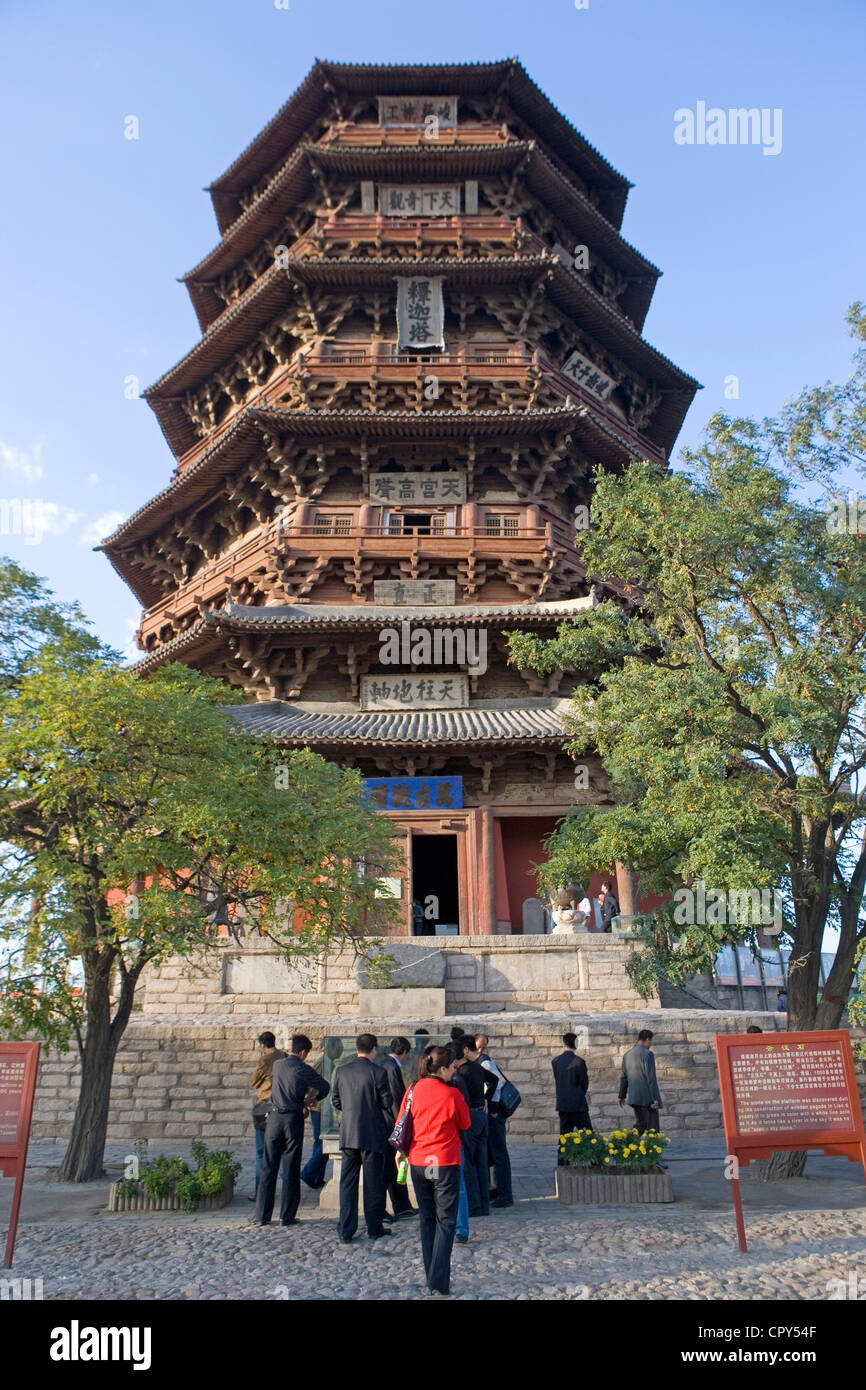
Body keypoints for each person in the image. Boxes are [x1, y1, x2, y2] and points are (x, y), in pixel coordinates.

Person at [395, 1044, 470, 1295]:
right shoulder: (452, 1094)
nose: (453, 1072)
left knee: (427, 1218)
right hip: (444, 1162)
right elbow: (465, 1123)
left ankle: (431, 1273)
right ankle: (438, 1279)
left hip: (419, 1161)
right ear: (444, 1068)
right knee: (446, 1221)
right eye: (451, 1068)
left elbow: (402, 1122)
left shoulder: (413, 1090)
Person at [254, 1033, 329, 1227]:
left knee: (268, 1167)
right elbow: (324, 1087)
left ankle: (262, 1215)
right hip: (292, 1119)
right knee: (290, 1168)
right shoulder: (303, 1069)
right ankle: (286, 1216)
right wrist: (312, 1100)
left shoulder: (279, 1064)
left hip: (274, 1118)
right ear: (303, 1052)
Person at [331, 1033, 394, 1244]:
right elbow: (386, 1101)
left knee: (347, 1183)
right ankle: (374, 1227)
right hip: (372, 1134)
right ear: (373, 1049)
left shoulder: (342, 1071)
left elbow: (336, 1101)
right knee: (372, 1183)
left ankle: (346, 1228)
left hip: (349, 1133)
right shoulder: (378, 1072)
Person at [457, 1032, 496, 1217]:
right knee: (481, 1162)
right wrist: (486, 1099)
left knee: (469, 1164)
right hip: (481, 1114)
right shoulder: (477, 1067)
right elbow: (494, 1080)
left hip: (471, 1116)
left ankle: (473, 1206)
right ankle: (484, 1205)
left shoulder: (461, 1073)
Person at [475, 1032, 513, 1208]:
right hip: (488, 1112)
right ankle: (495, 1189)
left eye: (483, 1046)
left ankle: (505, 1194)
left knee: (499, 1153)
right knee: (491, 1153)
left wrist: (494, 1108)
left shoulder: (484, 1062)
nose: (481, 1049)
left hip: (494, 1113)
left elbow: (496, 1084)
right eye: (479, 1045)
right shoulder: (479, 1062)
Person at [380, 1036, 417, 1219]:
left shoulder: (385, 1064)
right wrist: (401, 1124)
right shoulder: (392, 1067)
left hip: (387, 1123)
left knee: (395, 1167)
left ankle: (403, 1205)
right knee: (396, 1165)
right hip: (390, 1124)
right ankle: (402, 1205)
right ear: (404, 1053)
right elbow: (396, 1099)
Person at [248, 1030, 286, 1200]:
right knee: (284, 1150)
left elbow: (253, 1082)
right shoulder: (284, 1056)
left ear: (262, 1045)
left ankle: (260, 1191)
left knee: (261, 1152)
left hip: (265, 1106)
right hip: (282, 1105)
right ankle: (287, 1189)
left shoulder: (265, 1059)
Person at [552, 1032, 591, 1157]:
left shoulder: (555, 1061)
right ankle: (594, 1161)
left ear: (563, 1044)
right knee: (587, 1135)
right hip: (578, 1104)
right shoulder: (579, 1062)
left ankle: (562, 1163)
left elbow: (558, 1080)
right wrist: (579, 1094)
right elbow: (584, 1083)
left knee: (564, 1137)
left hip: (563, 1104)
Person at [618, 1029, 663, 1134]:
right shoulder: (648, 1054)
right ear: (647, 1039)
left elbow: (624, 1077)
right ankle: (651, 1149)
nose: (650, 1044)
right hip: (647, 1097)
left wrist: (622, 1096)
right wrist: (655, 1098)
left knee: (641, 1123)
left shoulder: (627, 1055)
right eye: (650, 1042)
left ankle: (627, 1146)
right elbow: (651, 1078)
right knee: (653, 1127)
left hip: (634, 1096)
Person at [300, 1047, 328, 1190]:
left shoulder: (330, 1061)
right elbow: (311, 1083)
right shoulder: (322, 1062)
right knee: (323, 1144)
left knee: (320, 1143)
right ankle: (308, 1173)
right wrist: (310, 1101)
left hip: (324, 1108)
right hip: (318, 1108)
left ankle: (316, 1177)